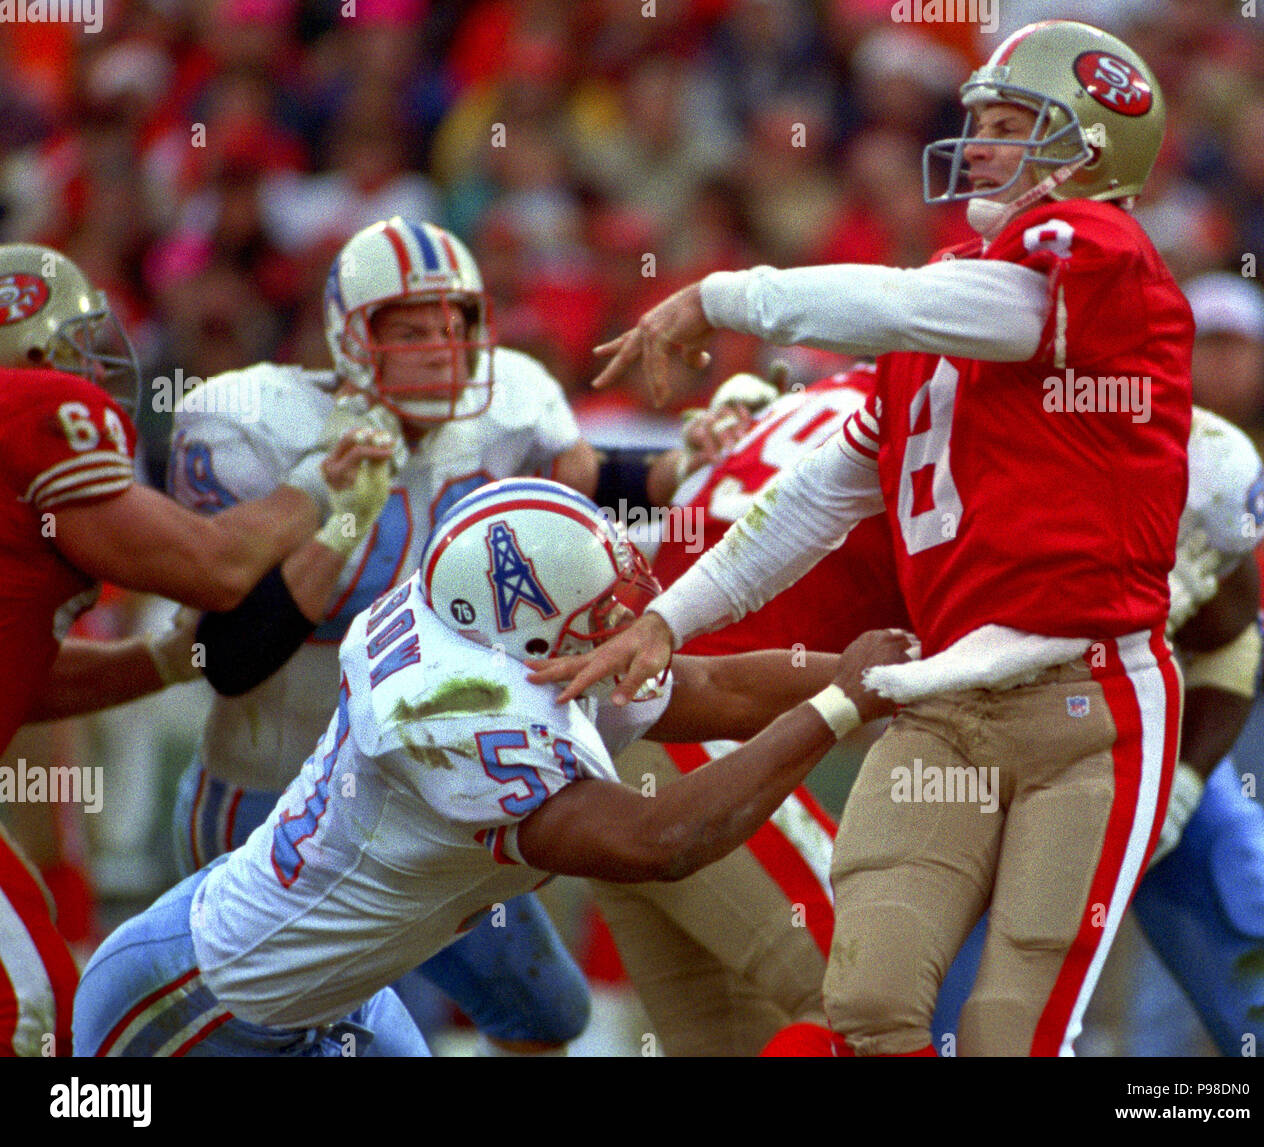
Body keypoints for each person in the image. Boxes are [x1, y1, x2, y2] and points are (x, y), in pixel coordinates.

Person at [531, 21, 1193, 1055]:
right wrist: (668, 618)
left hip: (1086, 700)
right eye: (979, 119)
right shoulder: (939, 311)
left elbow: (930, 307)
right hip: (938, 696)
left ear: (1090, 148)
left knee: (1008, 1031)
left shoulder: (1093, 257)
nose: (979, 143)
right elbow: (810, 500)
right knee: (866, 1006)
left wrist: (721, 294)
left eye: (1011, 123)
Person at [71, 478, 908, 1057]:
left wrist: (885, 674)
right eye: (601, 616)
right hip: (198, 999)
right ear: (529, 638)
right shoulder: (460, 723)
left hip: (323, 996)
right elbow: (664, 839)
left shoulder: (491, 636)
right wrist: (837, 707)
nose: (622, 629)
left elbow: (714, 687)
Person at [166, 217, 600, 1054]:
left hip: (430, 795)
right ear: (350, 337)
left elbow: (589, 479)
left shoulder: (511, 408)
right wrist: (335, 516)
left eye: (455, 324)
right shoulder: (258, 423)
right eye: (410, 330)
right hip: (270, 805)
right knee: (303, 1039)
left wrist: (683, 465)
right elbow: (231, 656)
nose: (442, 350)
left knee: (549, 1013)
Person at [0, 242, 391, 1057]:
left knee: (58, 1007)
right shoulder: (33, 407)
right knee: (33, 1019)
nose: (91, 369)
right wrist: (320, 483)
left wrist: (165, 659)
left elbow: (23, 679)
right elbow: (215, 567)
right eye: (73, 345)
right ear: (29, 354)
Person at [592, 363, 909, 1055]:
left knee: (729, 1040)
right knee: (871, 1000)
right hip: (705, 737)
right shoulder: (933, 415)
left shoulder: (814, 399)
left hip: (615, 744)